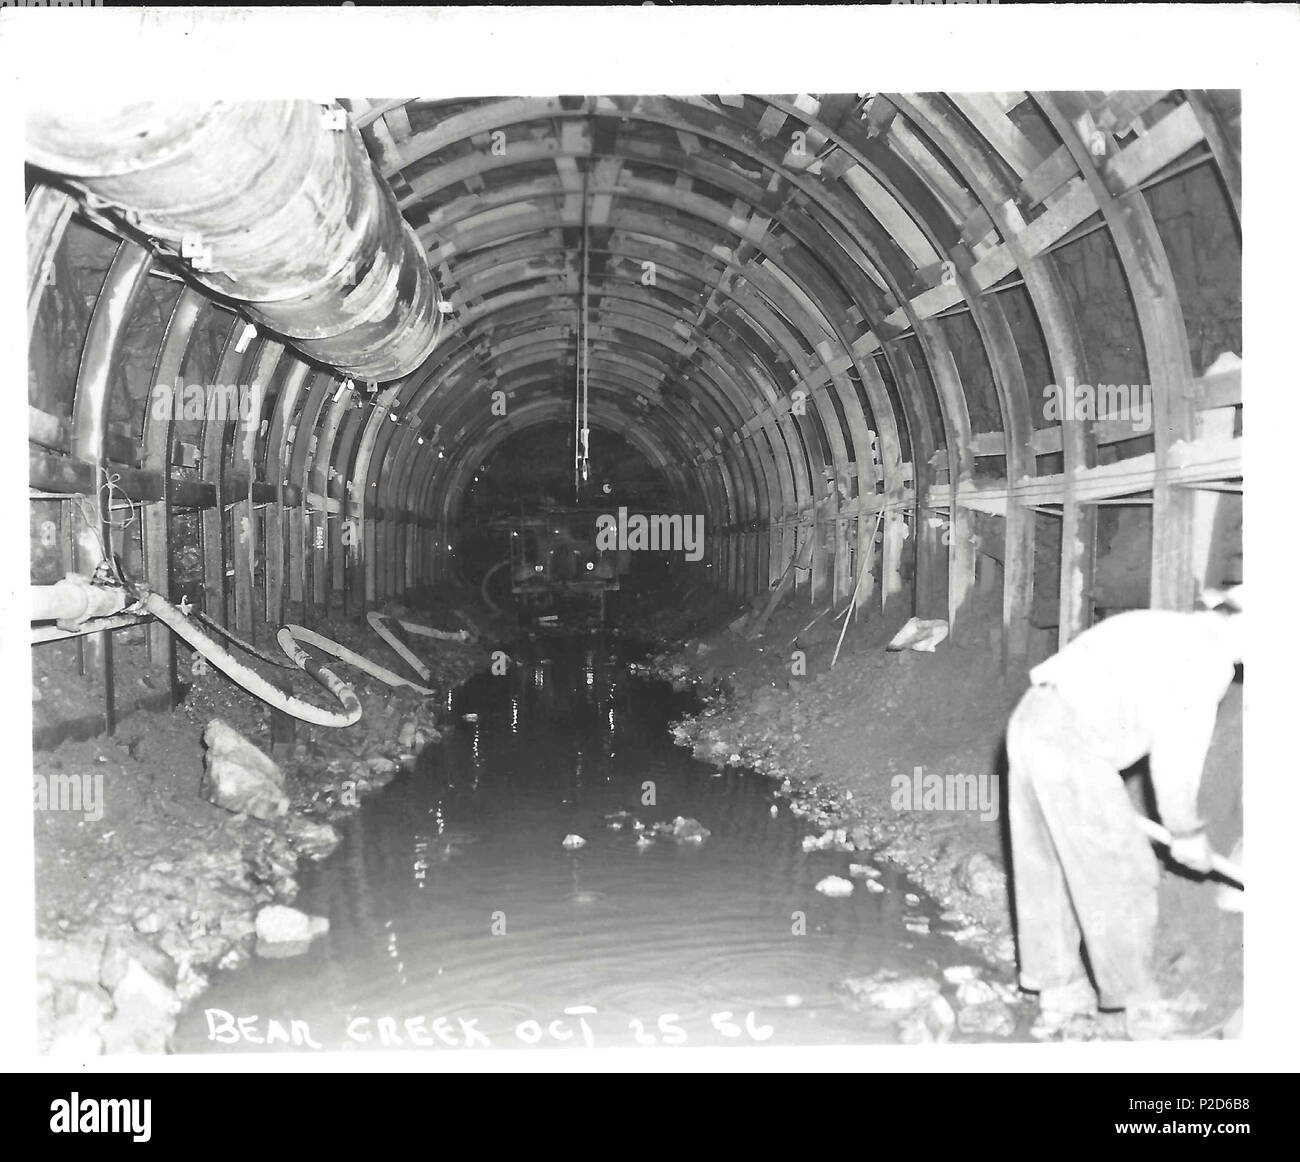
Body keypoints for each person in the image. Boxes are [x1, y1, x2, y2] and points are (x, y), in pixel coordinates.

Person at [1005, 588, 1242, 1040]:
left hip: (1030, 720)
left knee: (1046, 864)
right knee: (1123, 870)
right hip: (1072, 740)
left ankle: (1059, 991)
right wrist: (1186, 831)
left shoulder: (1164, 625)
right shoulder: (1207, 658)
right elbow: (1176, 760)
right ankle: (1138, 1003)